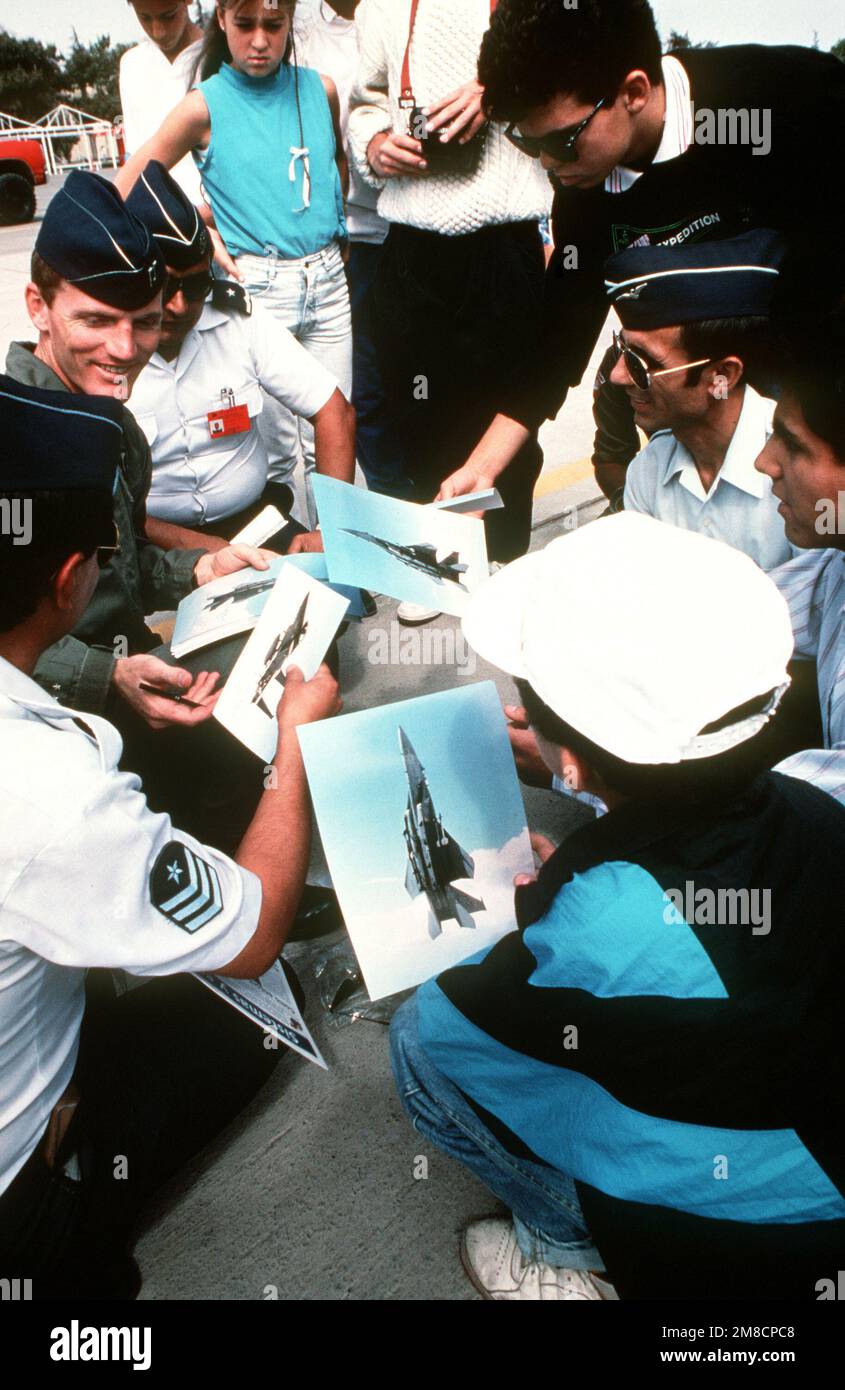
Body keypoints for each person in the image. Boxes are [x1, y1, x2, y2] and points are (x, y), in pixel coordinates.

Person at [390, 512, 845, 1301]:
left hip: (771, 1218)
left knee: (416, 1039)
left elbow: (461, 1020)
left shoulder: (603, 924)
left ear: (564, 757)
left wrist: (547, 912)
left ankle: (563, 1245)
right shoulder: (812, 794)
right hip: (816, 1128)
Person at [0, 376, 342, 1299]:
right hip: (14, 1197)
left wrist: (107, 678)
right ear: (71, 582)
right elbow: (256, 928)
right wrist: (296, 749)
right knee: (259, 1020)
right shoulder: (48, 792)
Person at [439, 0, 845, 510]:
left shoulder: (788, 99)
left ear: (633, 91)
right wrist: (480, 470)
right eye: (527, 142)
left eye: (562, 141)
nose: (546, 163)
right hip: (701, 407)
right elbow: (558, 334)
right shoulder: (584, 184)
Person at [7, 169, 278, 850]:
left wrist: (202, 566)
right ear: (38, 304)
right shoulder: (14, 437)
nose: (125, 350)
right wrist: (107, 678)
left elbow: (121, 567)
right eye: (96, 320)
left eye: (146, 322)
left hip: (125, 666)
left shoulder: (108, 423)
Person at [347, 0, 552, 614]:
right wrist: (376, 143)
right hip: (413, 243)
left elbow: (560, 71)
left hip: (502, 239)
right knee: (419, 415)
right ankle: (439, 564)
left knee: (511, 404)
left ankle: (506, 558)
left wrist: (496, 88)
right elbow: (364, 100)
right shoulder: (378, 9)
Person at [115, 0, 353, 526]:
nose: (261, 41)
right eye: (245, 25)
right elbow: (129, 186)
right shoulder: (203, 105)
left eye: (275, 24)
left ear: (292, 19)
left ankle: (342, 568)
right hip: (257, 286)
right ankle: (284, 577)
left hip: (330, 284)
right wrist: (199, 232)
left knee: (332, 432)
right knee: (277, 456)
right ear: (221, 19)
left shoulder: (322, 89)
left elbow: (335, 165)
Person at [126, 160, 356, 550]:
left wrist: (330, 530)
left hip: (252, 526)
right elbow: (103, 501)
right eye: (165, 286)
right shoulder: (105, 346)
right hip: (152, 542)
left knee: (339, 600)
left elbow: (334, 411)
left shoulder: (237, 318)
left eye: (197, 284)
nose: (180, 306)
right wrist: (212, 554)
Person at [606, 229, 792, 571]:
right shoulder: (648, 473)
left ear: (722, 376)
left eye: (641, 363)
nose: (619, 376)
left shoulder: (804, 473)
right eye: (621, 351)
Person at [294, 0, 412, 501]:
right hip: (350, 241)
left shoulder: (407, 11)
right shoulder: (292, 27)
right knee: (364, 391)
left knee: (423, 385)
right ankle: (396, 506)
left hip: (421, 226)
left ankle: (441, 499)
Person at [756, 307, 845, 805]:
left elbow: (772, 833)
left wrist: (592, 772)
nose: (765, 462)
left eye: (791, 443)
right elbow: (737, 614)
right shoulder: (836, 563)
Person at [120, 0, 205, 202]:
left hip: (221, 217)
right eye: (145, 18)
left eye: (168, 16)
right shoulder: (132, 64)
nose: (158, 31)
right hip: (160, 218)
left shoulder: (222, 56)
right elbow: (134, 156)